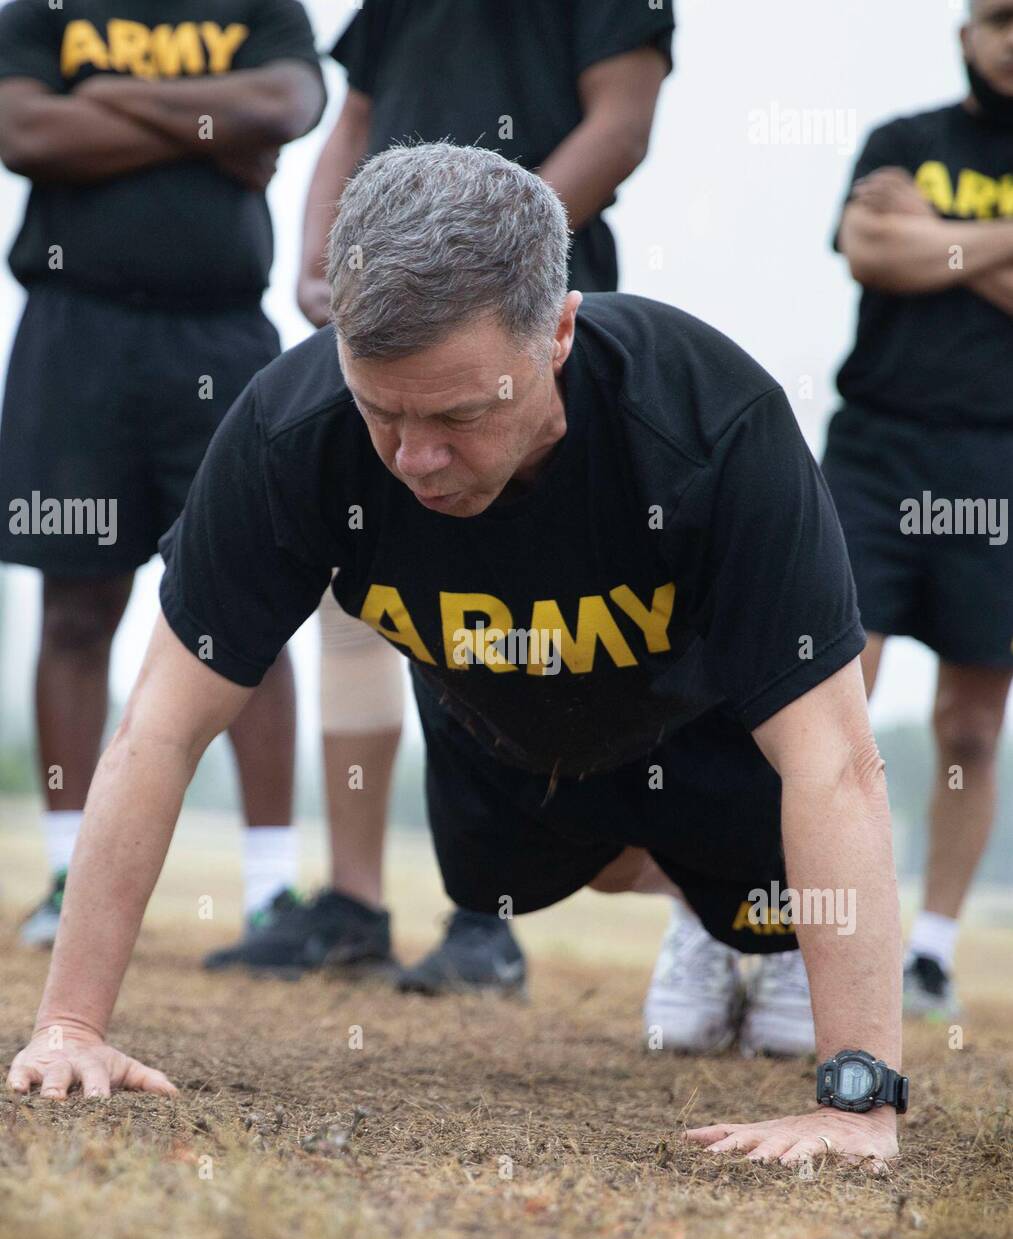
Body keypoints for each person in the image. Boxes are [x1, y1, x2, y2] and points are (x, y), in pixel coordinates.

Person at [6, 144, 905, 1169]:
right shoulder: (289, 433)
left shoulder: (712, 424)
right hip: (501, 736)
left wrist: (855, 1102)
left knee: (766, 904)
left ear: (559, 331)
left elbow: (832, 762)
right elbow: (161, 726)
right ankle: (692, 904)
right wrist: (70, 1025)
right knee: (497, 877)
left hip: (705, 734)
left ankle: (743, 922)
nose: (414, 460)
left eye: (458, 416)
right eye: (381, 411)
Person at [207, 0, 677, 990]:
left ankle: (486, 910)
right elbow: (353, 122)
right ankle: (352, 899)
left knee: (508, 598)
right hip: (394, 317)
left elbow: (622, 126)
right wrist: (323, 258)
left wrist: (471, 271)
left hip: (517, 319)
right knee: (357, 594)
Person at [0, 0, 325, 946]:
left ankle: (271, 894)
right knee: (74, 607)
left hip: (222, 335)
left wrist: (107, 97)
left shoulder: (259, 6)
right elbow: (23, 130)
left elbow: (283, 109)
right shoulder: (47, 10)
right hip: (75, 335)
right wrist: (208, 129)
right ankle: (70, 877)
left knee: (249, 604)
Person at [824, 0, 1013, 1020]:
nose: (1011, 37)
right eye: (997, 16)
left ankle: (928, 949)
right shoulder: (900, 141)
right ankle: (807, 919)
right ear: (962, 32)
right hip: (873, 449)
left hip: (999, 460)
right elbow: (870, 255)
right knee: (830, 694)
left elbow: (909, 250)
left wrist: (933, 236)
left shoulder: (916, 189)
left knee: (970, 728)